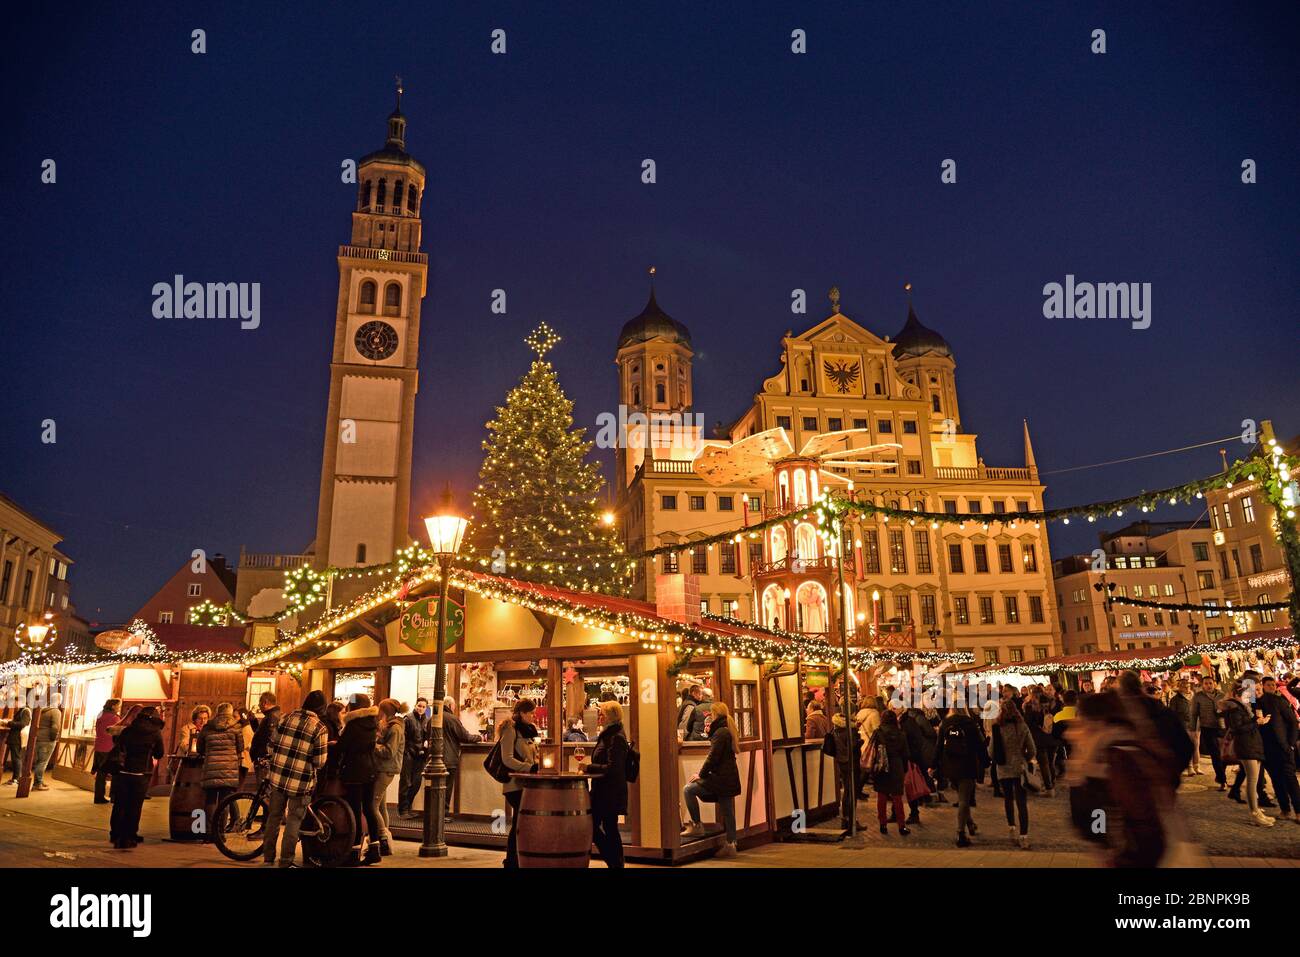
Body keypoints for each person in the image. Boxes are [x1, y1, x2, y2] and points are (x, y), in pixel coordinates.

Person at [260, 690, 329, 867]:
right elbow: (319, 762)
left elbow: (271, 745)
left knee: (273, 817)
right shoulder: (319, 727)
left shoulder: (285, 718)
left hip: (277, 777)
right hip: (301, 782)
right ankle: (286, 861)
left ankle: (268, 857)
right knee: (293, 821)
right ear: (321, 708)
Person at [682, 701, 743, 857]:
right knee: (728, 810)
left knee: (688, 789)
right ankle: (732, 843)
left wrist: (700, 775)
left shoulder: (720, 733)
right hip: (727, 777)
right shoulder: (725, 730)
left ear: (714, 714)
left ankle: (697, 825)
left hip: (720, 778)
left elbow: (712, 758)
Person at [108, 706, 164, 850]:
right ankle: (129, 836)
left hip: (123, 772)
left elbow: (118, 747)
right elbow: (159, 753)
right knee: (134, 807)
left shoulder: (127, 731)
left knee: (120, 805)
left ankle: (115, 834)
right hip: (141, 774)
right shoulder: (155, 733)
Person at [582, 699, 629, 868]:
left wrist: (588, 767)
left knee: (594, 826)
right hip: (605, 791)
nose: (599, 717)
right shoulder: (610, 735)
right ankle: (616, 863)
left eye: (602, 714)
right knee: (609, 827)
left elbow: (613, 768)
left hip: (609, 792)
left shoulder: (615, 738)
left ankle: (614, 861)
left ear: (610, 716)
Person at [337, 693, 384, 864]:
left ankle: (354, 851)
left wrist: (335, 747)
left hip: (355, 771)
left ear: (354, 707)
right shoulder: (372, 724)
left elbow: (342, 747)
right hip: (371, 770)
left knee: (355, 811)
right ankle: (374, 849)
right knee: (370, 809)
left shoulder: (353, 725)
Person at [1220, 681, 1274, 827]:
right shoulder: (1235, 709)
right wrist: (1258, 723)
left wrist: (1257, 720)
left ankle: (1257, 810)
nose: (1250, 697)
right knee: (1252, 780)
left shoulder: (1243, 708)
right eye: (1247, 695)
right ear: (1239, 695)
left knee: (1254, 780)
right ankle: (1254, 814)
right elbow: (1238, 728)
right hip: (1245, 746)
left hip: (1251, 745)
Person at [933, 704, 988, 847]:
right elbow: (980, 745)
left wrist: (933, 764)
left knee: (962, 797)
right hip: (967, 764)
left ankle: (970, 824)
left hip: (950, 766)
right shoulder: (970, 724)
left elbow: (938, 746)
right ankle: (960, 833)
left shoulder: (945, 723)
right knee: (964, 800)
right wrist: (985, 761)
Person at [498, 699, 540, 868]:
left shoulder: (528, 731)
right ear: (522, 713)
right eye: (531, 713)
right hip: (514, 784)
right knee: (519, 822)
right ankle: (512, 860)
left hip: (527, 783)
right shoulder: (510, 729)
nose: (533, 716)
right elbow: (506, 758)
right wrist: (528, 767)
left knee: (521, 821)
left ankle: (517, 859)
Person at [197, 702, 244, 841]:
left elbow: (199, 748)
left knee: (210, 800)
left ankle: (208, 833)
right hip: (229, 770)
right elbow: (240, 747)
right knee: (225, 801)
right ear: (230, 712)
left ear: (217, 712)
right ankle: (220, 834)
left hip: (211, 768)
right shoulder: (236, 727)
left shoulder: (208, 727)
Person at [993, 696, 1035, 848]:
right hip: (1019, 767)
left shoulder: (997, 727)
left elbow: (991, 751)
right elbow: (1032, 749)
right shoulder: (1022, 726)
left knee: (1008, 798)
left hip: (1003, 767)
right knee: (1021, 802)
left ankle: (1011, 827)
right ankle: (1024, 836)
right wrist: (1025, 758)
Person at [1257, 676, 1300, 824]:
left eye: (1273, 685)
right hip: (1267, 750)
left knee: (1290, 780)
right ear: (1262, 686)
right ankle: (1285, 810)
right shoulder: (1256, 703)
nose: (1271, 687)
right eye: (1268, 685)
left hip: (1284, 748)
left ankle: (1298, 811)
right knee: (1276, 780)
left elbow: (1293, 723)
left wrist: (1291, 744)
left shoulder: (1280, 702)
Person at [373, 698, 407, 857]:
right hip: (386, 769)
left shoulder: (395, 729)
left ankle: (384, 839)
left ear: (385, 711)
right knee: (381, 806)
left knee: (373, 805)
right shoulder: (394, 726)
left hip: (385, 769)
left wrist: (374, 745)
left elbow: (389, 752)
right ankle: (384, 841)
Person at [868, 710, 910, 836]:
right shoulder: (901, 734)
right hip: (896, 766)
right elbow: (906, 753)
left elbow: (872, 751)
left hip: (881, 767)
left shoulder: (878, 733)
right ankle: (901, 826)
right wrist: (904, 768)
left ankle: (883, 825)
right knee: (897, 797)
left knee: (882, 796)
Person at [822, 710, 863, 829]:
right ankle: (852, 820)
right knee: (852, 791)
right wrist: (861, 742)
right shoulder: (851, 730)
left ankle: (845, 819)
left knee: (847, 791)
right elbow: (853, 747)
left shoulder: (836, 728)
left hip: (841, 762)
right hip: (852, 762)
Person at [441, 697, 480, 816]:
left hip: (435, 758)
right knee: (446, 788)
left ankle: (436, 814)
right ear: (450, 705)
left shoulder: (434, 717)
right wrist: (478, 737)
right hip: (449, 758)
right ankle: (444, 814)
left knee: (436, 788)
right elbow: (465, 736)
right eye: (454, 706)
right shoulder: (452, 719)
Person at [899, 706, 936, 822]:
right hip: (908, 758)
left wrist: (910, 755)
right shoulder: (906, 721)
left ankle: (914, 812)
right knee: (905, 786)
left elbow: (916, 740)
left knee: (910, 785)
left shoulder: (908, 723)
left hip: (910, 759)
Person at [1191, 675, 1227, 789]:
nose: (1208, 685)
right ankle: (1222, 780)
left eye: (1210, 683)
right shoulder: (1198, 697)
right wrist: (1193, 729)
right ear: (1203, 685)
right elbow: (1194, 714)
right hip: (1207, 727)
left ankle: (1221, 775)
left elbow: (1228, 710)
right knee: (1215, 754)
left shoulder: (1222, 695)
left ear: (1214, 683)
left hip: (1222, 727)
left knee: (1224, 754)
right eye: (1206, 683)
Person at [398, 698, 431, 817]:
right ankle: (403, 810)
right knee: (406, 782)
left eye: (423, 707)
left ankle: (408, 807)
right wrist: (408, 750)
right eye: (419, 706)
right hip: (409, 754)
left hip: (420, 755)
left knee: (416, 783)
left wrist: (426, 742)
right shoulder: (408, 719)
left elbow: (426, 736)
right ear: (415, 705)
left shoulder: (427, 720)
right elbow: (403, 738)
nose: (421, 708)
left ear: (426, 708)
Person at [29, 692, 63, 790]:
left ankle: (40, 780)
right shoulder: (56, 711)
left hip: (39, 738)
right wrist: (53, 738)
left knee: (39, 761)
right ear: (59, 701)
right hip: (47, 740)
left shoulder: (43, 710)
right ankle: (37, 784)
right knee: (43, 762)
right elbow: (55, 727)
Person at [92, 699, 121, 804]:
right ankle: (114, 797)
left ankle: (98, 797)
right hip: (110, 748)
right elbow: (118, 734)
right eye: (118, 705)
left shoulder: (100, 715)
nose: (119, 708)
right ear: (113, 706)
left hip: (99, 747)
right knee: (115, 773)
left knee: (101, 774)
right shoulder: (115, 718)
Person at [249, 692, 281, 776]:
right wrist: (253, 721)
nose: (259, 705)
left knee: (263, 787)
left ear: (265, 703)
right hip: (264, 759)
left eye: (260, 702)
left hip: (264, 761)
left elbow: (271, 739)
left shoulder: (272, 717)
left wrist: (263, 758)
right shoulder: (270, 716)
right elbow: (262, 735)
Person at [1169, 679, 1195, 775]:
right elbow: (1172, 714)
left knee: (1193, 746)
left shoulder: (1193, 697)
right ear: (1180, 688)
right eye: (1184, 686)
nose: (1187, 687)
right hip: (1182, 726)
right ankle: (1187, 767)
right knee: (1184, 747)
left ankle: (1194, 766)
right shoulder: (1175, 700)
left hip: (1194, 725)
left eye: (1188, 686)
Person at [2, 701, 31, 784]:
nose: (15, 704)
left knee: (16, 758)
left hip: (18, 738)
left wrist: (8, 723)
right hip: (15, 737)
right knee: (15, 758)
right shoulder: (22, 710)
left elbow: (23, 724)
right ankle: (15, 777)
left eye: (16, 702)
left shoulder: (25, 711)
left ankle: (17, 778)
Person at [234, 708, 256, 787]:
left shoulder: (246, 729)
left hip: (243, 762)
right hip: (242, 761)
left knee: (240, 785)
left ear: (242, 717)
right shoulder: (244, 728)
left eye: (235, 717)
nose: (234, 719)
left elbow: (241, 746)